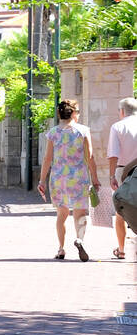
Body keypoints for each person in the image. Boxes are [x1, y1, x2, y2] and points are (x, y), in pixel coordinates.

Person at [38, 98, 100, 261]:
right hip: (79, 178)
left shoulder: (53, 133)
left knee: (61, 214)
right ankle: (79, 239)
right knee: (80, 213)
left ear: (59, 113)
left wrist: (41, 180)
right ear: (73, 114)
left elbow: (47, 158)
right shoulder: (83, 131)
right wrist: (95, 178)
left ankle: (61, 248)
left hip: (59, 178)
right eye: (77, 112)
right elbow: (90, 157)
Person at [107, 97, 137, 258]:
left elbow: (113, 154)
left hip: (123, 171)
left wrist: (111, 175)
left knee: (121, 210)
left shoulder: (117, 127)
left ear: (122, 111)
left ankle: (122, 249)